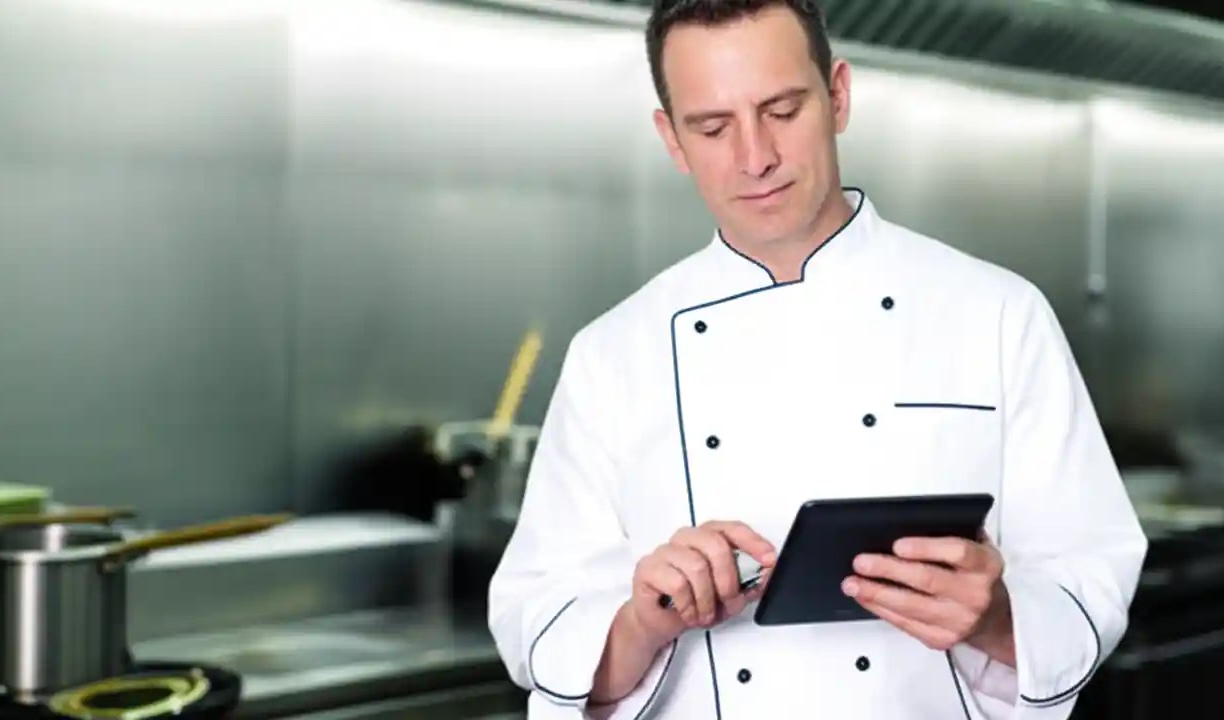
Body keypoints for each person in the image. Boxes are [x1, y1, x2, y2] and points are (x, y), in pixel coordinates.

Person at [487, 0, 1148, 717]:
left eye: (783, 109)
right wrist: (647, 621)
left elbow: (1094, 573)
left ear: (838, 95)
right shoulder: (611, 356)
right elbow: (539, 631)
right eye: (712, 127)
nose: (755, 156)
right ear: (671, 139)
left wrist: (994, 617)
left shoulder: (996, 314)